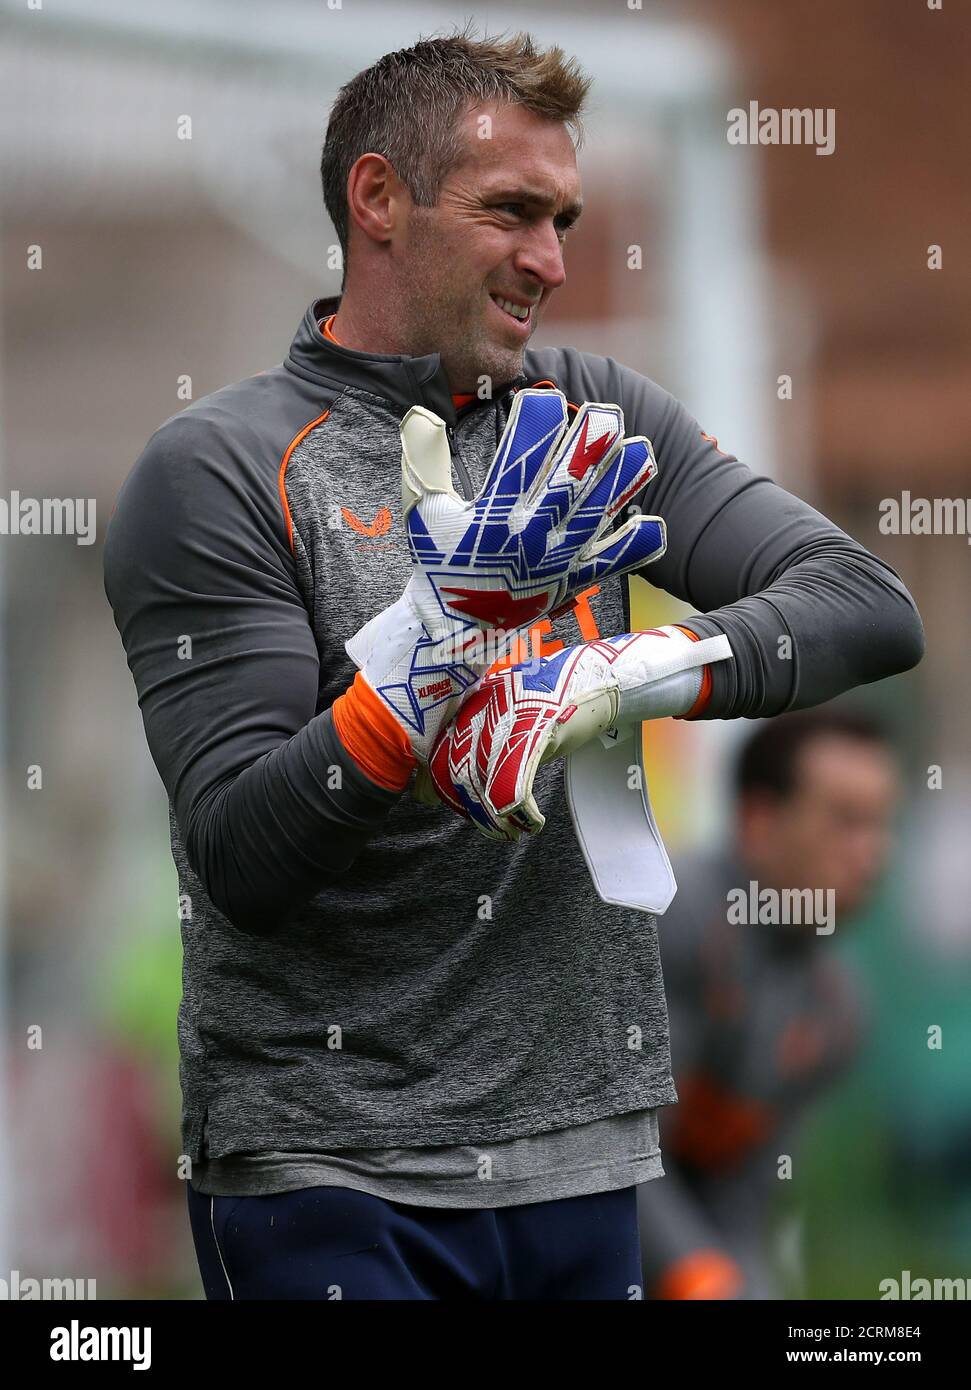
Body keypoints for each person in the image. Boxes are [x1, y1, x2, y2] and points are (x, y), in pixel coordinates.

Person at [103, 26, 923, 1300]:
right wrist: (431, 657)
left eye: (565, 218)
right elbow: (242, 854)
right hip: (334, 1167)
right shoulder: (214, 467)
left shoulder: (593, 413)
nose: (550, 259)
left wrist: (613, 677)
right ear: (377, 199)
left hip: (585, 1161)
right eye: (511, 213)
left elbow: (866, 605)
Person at [638, 710, 900, 1299]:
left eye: (881, 824)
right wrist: (703, 1278)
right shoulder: (671, 921)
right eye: (846, 822)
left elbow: (741, 1207)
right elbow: (611, 1156)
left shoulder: (837, 1009)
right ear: (758, 821)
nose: (873, 854)